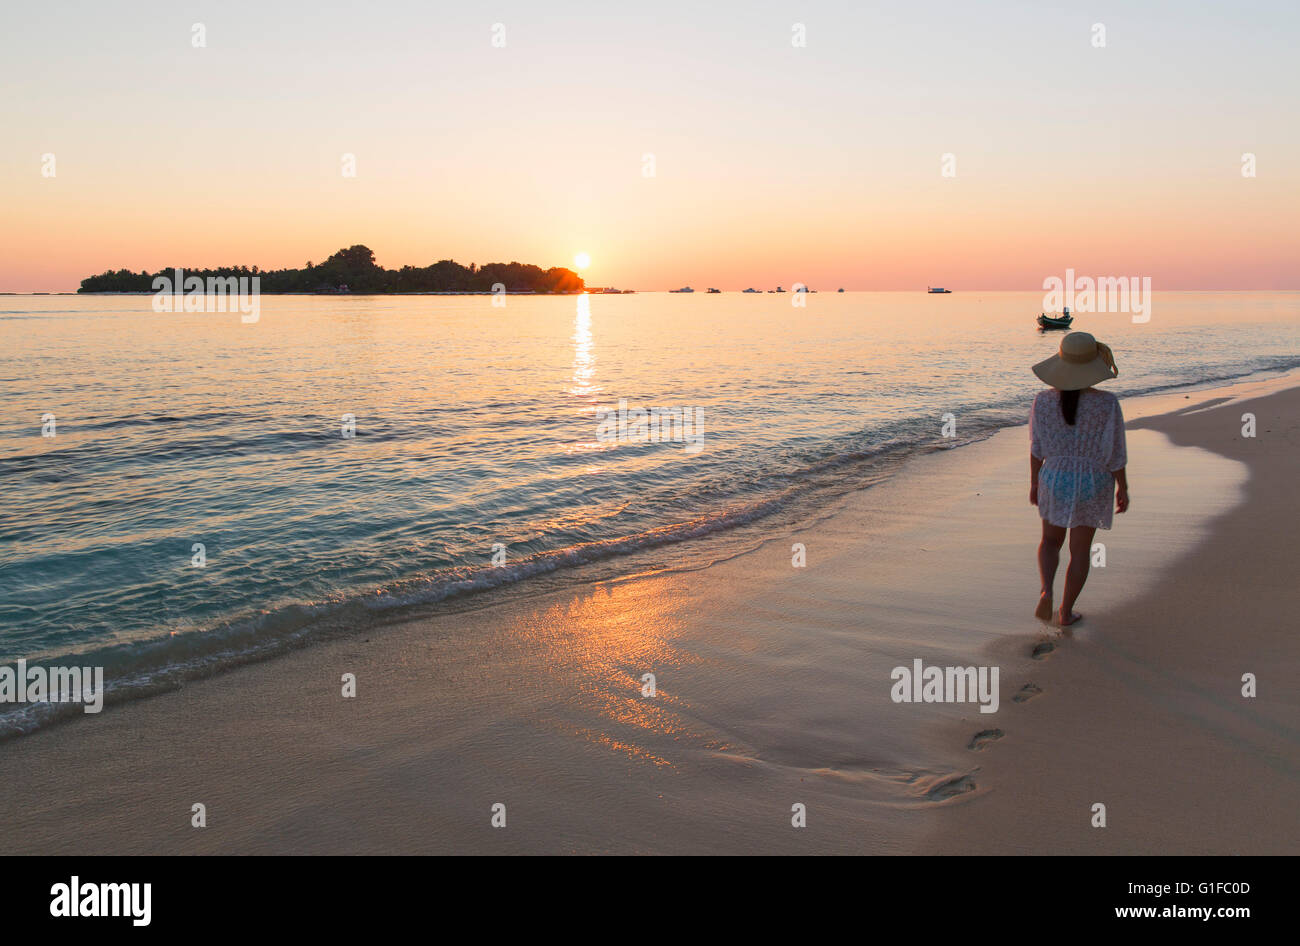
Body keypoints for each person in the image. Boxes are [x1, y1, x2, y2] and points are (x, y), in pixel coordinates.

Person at [1028, 332, 1129, 626]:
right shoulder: (1107, 403)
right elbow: (1115, 452)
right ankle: (1065, 611)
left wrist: (1035, 482)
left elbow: (1037, 448)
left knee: (1049, 542)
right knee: (1080, 550)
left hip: (1054, 477)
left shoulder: (1042, 401)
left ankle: (1046, 590)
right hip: (1092, 480)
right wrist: (1123, 485)